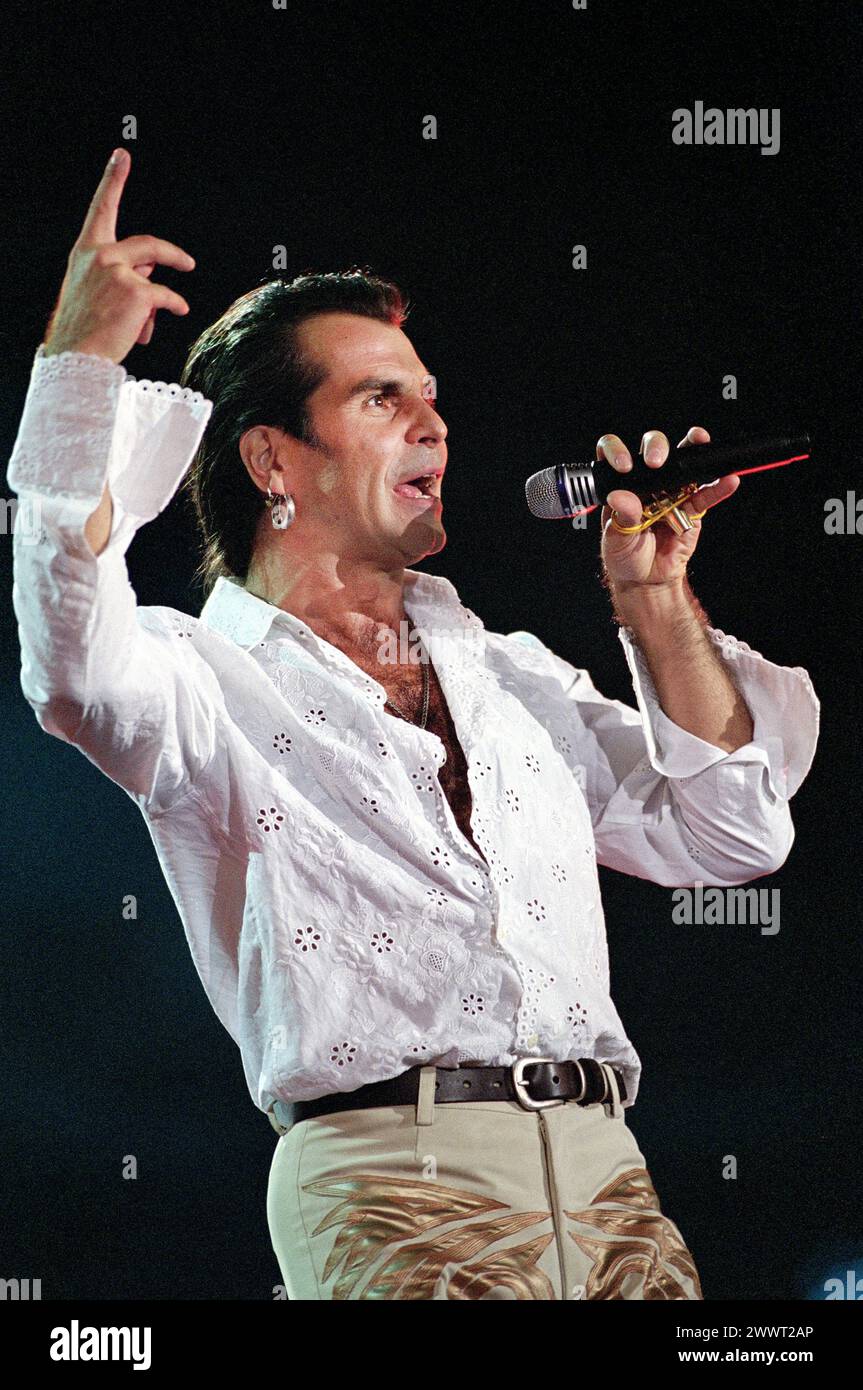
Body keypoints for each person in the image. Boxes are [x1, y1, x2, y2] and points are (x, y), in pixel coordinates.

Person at [8, 149, 819, 1301]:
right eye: (382, 398)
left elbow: (733, 835)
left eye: (431, 397)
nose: (433, 425)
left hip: (610, 1186)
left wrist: (651, 598)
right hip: (391, 1180)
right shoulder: (198, 680)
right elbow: (69, 661)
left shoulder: (512, 678)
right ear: (273, 460)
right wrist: (79, 361)